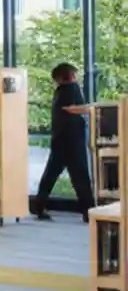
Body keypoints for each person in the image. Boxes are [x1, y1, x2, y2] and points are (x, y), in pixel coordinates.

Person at [33, 63, 95, 221]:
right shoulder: (73, 89)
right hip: (73, 140)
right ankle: (89, 211)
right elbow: (74, 108)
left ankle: (38, 206)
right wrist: (93, 110)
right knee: (80, 176)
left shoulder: (59, 92)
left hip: (60, 138)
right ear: (71, 76)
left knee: (51, 175)